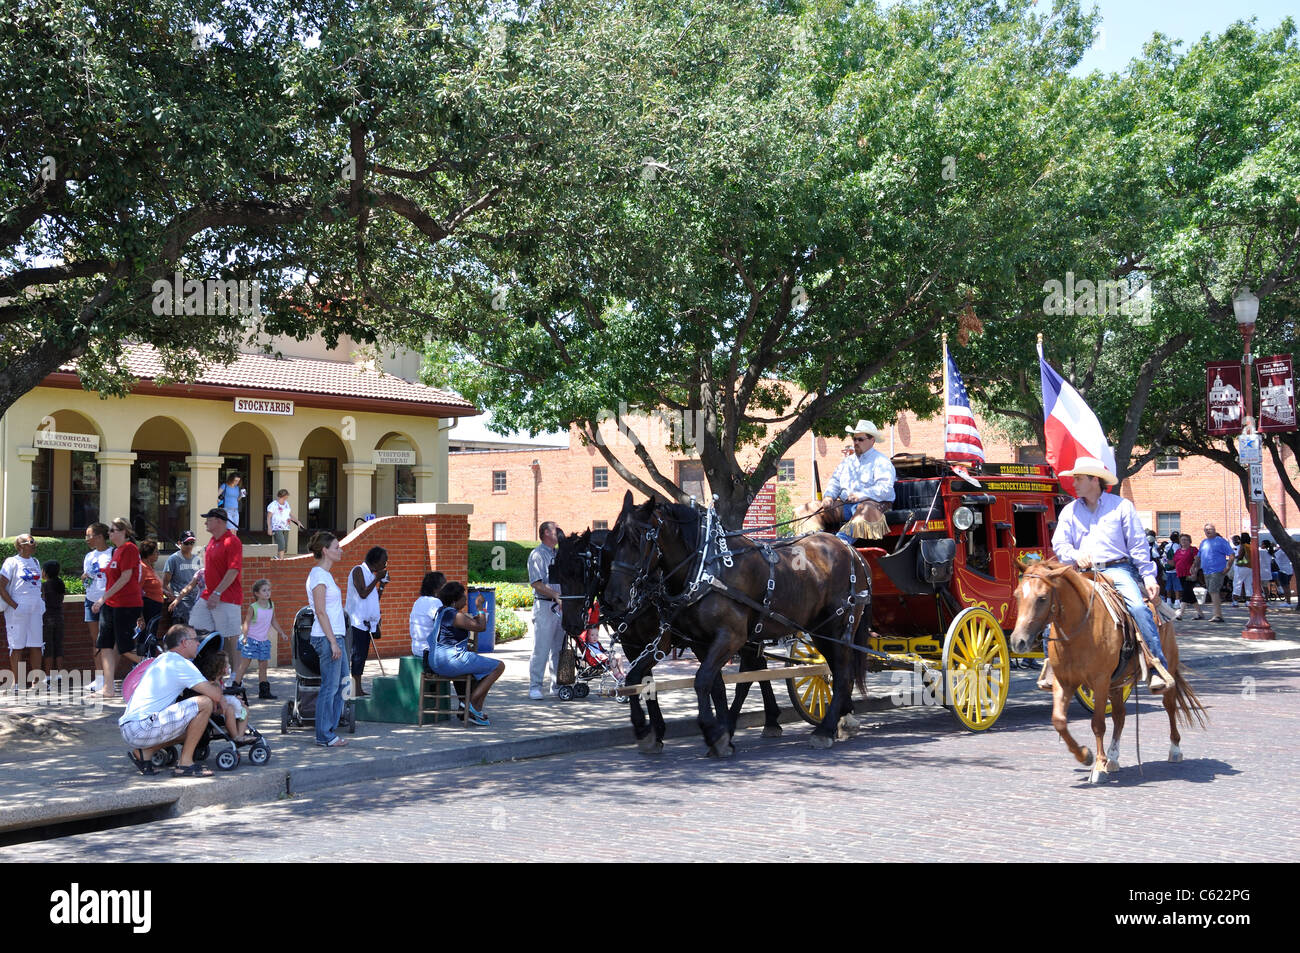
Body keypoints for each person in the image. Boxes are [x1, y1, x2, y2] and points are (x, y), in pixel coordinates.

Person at [1048, 457, 1173, 694]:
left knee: (1137, 607)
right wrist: (1075, 554)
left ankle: (1156, 666)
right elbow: (1060, 545)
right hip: (1082, 573)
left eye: (1078, 478)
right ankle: (1053, 665)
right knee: (1052, 606)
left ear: (1095, 480)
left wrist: (1148, 577)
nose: (1073, 483)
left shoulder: (1121, 506)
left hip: (1117, 570)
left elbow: (1138, 545)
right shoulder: (1069, 511)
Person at [117, 624, 224, 777]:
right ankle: (185, 764)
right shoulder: (181, 663)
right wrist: (217, 680)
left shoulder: (163, 659)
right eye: (196, 640)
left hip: (131, 727)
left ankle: (145, 752)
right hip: (142, 727)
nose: (199, 643)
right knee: (204, 703)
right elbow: (216, 696)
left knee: (194, 726)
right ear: (184, 643)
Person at [423, 581, 504, 725]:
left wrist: (478, 616)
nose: (466, 600)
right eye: (463, 598)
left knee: (484, 670)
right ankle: (468, 705)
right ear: (455, 601)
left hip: (434, 662)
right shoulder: (456, 616)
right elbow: (481, 627)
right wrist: (480, 607)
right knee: (498, 667)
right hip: (450, 660)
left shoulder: (442, 612)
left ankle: (475, 712)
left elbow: (472, 623)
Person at [91, 518, 144, 696]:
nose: (110, 533)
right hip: (111, 604)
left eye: (114, 530)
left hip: (126, 604)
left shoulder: (130, 549)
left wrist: (102, 598)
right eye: (110, 530)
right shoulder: (116, 550)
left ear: (124, 532)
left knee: (125, 648)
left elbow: (126, 577)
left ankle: (151, 664)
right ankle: (108, 688)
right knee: (105, 644)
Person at [306, 531, 348, 747]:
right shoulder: (318, 576)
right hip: (327, 637)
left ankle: (329, 730)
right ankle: (324, 735)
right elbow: (320, 611)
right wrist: (332, 641)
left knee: (342, 684)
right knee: (330, 687)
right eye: (336, 547)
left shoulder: (326, 575)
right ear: (325, 550)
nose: (340, 550)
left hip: (336, 636)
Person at [189, 508, 243, 675]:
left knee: (230, 638)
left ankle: (235, 676)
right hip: (208, 595)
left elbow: (233, 571)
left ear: (219, 521)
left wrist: (217, 593)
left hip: (227, 597)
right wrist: (211, 592)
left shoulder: (232, 541)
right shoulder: (212, 541)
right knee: (195, 629)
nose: (205, 522)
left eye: (208, 519)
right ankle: (210, 671)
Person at [824, 419, 896, 543]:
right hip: (846, 506)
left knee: (864, 509)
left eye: (860, 439)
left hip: (873, 506)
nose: (856, 442)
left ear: (872, 440)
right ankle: (811, 540)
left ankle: (839, 542)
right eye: (854, 439)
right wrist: (829, 496)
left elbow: (885, 489)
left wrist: (861, 495)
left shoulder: (881, 462)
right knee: (814, 508)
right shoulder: (847, 462)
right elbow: (835, 481)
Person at [1, 534, 44, 690]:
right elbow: (1, 586)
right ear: (21, 546)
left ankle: (37, 682)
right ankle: (16, 683)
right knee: (17, 645)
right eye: (31, 542)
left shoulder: (35, 562)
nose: (34, 544)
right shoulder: (11, 562)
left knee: (37, 644)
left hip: (35, 608)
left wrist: (41, 602)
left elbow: (39, 584)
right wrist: (15, 606)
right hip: (18, 609)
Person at [528, 520, 565, 700]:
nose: (559, 531)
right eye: (555, 529)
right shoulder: (537, 555)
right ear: (546, 533)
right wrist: (556, 595)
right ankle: (535, 686)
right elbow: (537, 583)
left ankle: (557, 685)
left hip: (561, 606)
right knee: (541, 648)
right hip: (544, 605)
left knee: (559, 648)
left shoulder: (559, 554)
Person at [234, 579, 287, 699]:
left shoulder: (271, 605)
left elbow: (273, 620)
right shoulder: (253, 607)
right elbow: (246, 623)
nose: (267, 592)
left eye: (269, 590)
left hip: (263, 641)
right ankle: (235, 688)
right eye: (264, 590)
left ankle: (264, 691)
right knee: (244, 664)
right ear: (257, 593)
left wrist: (281, 632)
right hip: (251, 639)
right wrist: (245, 636)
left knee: (263, 666)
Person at [345, 546, 388, 698]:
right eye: (383, 561)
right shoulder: (358, 570)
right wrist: (377, 578)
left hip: (366, 624)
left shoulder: (371, 575)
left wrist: (381, 585)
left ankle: (358, 688)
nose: (385, 565)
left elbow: (372, 599)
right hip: (356, 622)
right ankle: (354, 689)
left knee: (361, 657)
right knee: (356, 656)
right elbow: (363, 593)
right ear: (375, 561)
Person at [162, 531, 203, 625]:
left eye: (192, 543)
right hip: (181, 603)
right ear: (179, 543)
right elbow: (164, 584)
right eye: (186, 543)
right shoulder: (173, 559)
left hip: (196, 601)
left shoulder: (197, 559)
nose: (189, 546)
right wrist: (173, 598)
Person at [1197, 524, 1235, 623]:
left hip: (1217, 571)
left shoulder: (1221, 541)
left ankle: (1218, 615)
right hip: (1206, 571)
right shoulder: (1204, 542)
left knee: (1214, 591)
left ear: (1215, 530)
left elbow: (1231, 555)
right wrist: (1194, 567)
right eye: (1206, 530)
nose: (1208, 531)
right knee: (1212, 592)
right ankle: (1217, 614)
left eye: (1210, 529)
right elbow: (1199, 556)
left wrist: (1227, 568)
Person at [409, 571, 446, 657]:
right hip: (429, 650)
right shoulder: (435, 602)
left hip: (416, 648)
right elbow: (446, 624)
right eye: (444, 585)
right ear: (436, 588)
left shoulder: (418, 601)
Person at [41, 560, 66, 683]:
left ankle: (48, 675)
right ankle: (61, 674)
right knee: (58, 645)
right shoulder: (60, 584)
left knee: (48, 646)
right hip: (59, 617)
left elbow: (42, 600)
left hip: (47, 618)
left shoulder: (45, 586)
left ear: (46, 572)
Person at [138, 538, 166, 636]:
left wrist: (166, 593)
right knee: (147, 634)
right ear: (148, 554)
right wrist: (140, 615)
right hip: (148, 606)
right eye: (156, 552)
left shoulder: (149, 566)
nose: (158, 554)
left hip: (155, 606)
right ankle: (145, 651)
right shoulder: (142, 568)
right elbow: (138, 590)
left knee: (152, 633)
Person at [265, 489, 304, 559]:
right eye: (284, 498)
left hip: (286, 527)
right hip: (277, 527)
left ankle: (276, 557)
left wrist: (298, 522)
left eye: (286, 498)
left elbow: (289, 515)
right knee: (281, 544)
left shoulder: (286, 504)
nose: (285, 499)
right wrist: (269, 528)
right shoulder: (273, 505)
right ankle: (281, 561)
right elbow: (268, 517)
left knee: (284, 546)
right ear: (280, 497)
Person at [1173, 534, 1202, 621]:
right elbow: (1175, 561)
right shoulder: (1178, 551)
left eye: (1186, 540)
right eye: (1182, 540)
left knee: (1186, 592)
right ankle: (1200, 613)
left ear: (1189, 541)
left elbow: (1197, 560)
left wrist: (1194, 568)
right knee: (1190, 594)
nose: (1184, 541)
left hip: (1190, 574)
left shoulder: (1193, 550)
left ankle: (1181, 613)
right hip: (1180, 574)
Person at [1232, 532, 1253, 606]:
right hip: (1250, 567)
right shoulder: (1251, 546)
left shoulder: (1243, 546)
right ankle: (1248, 601)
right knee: (1248, 585)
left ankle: (1235, 601)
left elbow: (1240, 556)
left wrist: (1235, 557)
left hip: (1242, 566)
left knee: (1237, 583)